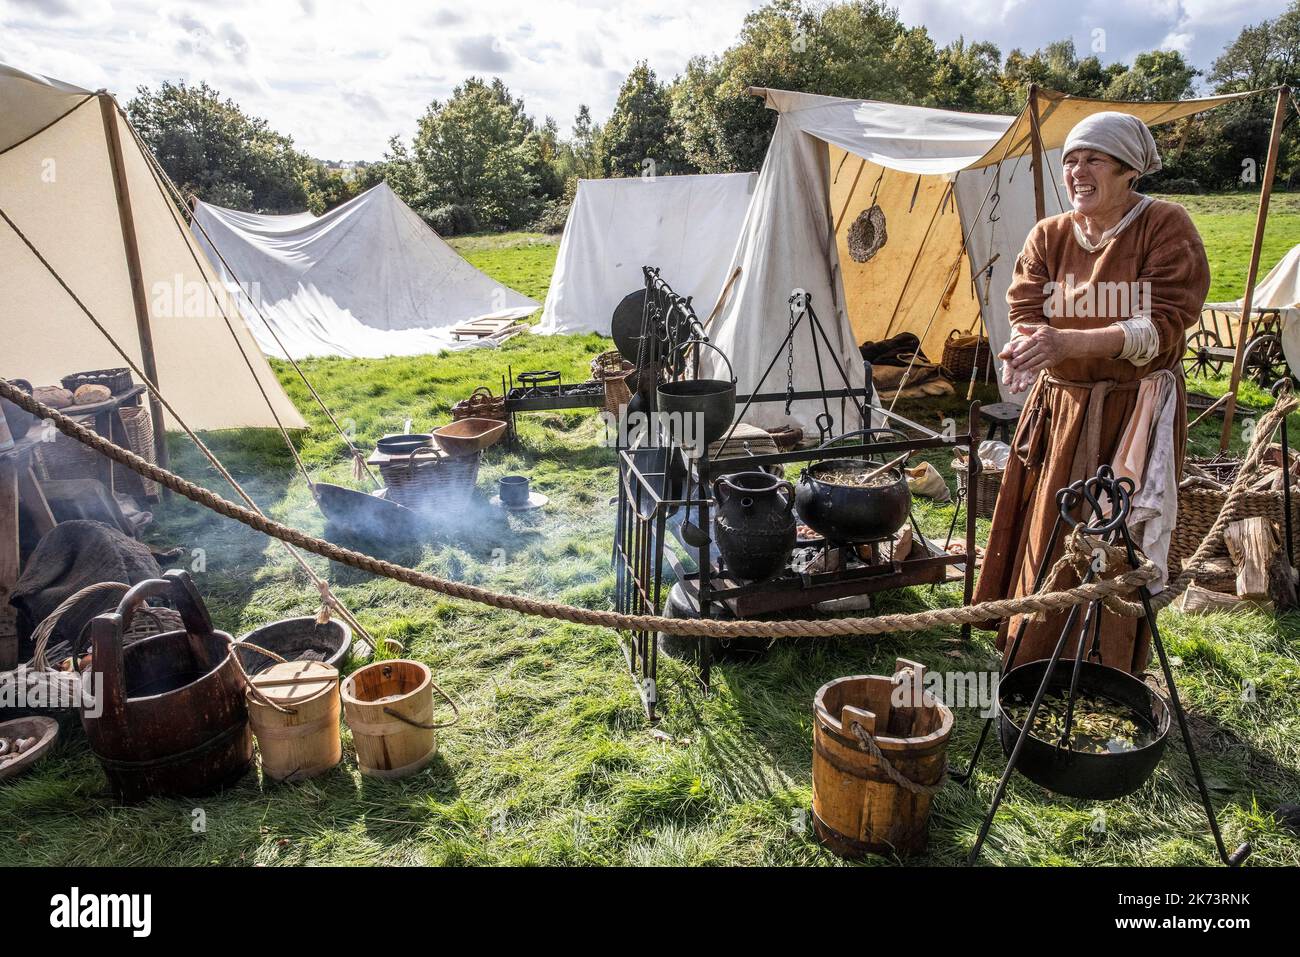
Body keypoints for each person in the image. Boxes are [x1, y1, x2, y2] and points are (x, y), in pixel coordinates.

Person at [973, 111, 1210, 674]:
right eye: (1071, 160)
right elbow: (1026, 309)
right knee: (1050, 524)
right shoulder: (1050, 235)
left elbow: (1165, 326)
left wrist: (1067, 343)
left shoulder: (1165, 226)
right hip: (1061, 407)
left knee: (1114, 532)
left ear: (1128, 169)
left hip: (1131, 411)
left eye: (1093, 160)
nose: (1077, 171)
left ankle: (1105, 664)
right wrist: (1027, 351)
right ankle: (1032, 652)